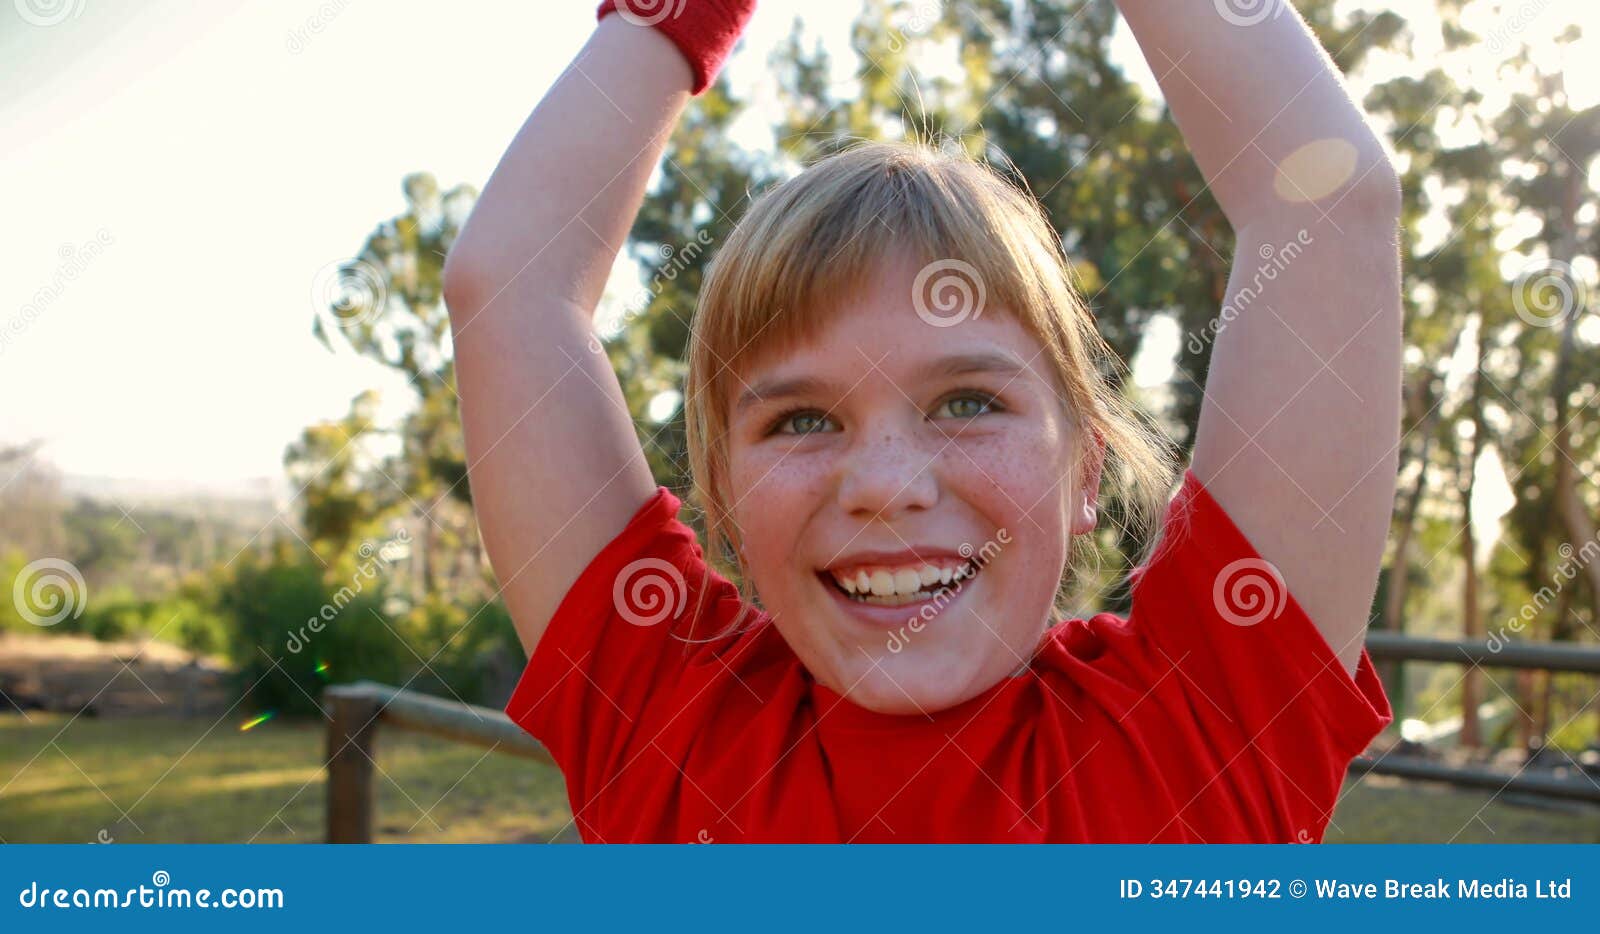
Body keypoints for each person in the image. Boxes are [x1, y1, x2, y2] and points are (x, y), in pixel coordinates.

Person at [441, 0, 1400, 843]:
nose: (887, 484)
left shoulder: (1204, 731)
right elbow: (506, 291)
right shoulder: (666, 723)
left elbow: (1328, 197)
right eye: (802, 421)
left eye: (969, 403)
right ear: (724, 494)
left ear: (1085, 474)